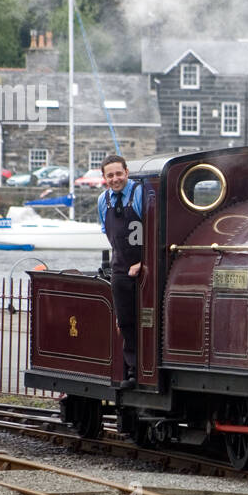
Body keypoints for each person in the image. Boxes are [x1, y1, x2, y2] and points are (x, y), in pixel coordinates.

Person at [97, 154, 144, 387]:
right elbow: (109, 233)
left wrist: (143, 261)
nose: (115, 179)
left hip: (144, 265)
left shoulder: (140, 194)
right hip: (120, 265)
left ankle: (140, 369)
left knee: (144, 318)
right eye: (110, 175)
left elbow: (155, 229)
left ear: (126, 172)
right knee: (125, 319)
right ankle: (131, 369)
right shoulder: (102, 200)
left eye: (119, 173)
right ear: (104, 178)